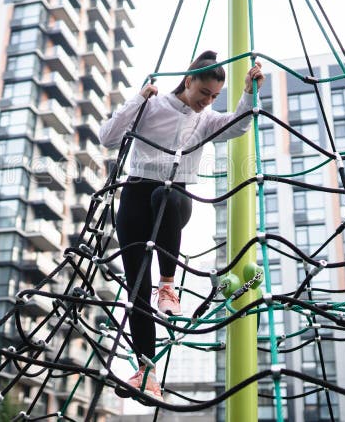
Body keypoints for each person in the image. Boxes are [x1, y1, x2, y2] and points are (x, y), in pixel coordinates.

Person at [98, 50, 265, 401]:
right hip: (134, 199)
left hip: (174, 202)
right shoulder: (152, 106)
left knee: (166, 194)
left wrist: (249, 91)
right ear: (188, 81)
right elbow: (108, 137)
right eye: (204, 93)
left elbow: (239, 123)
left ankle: (169, 285)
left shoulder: (204, 121)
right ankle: (146, 372)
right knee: (135, 289)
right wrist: (137, 100)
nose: (207, 102)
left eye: (214, 97)